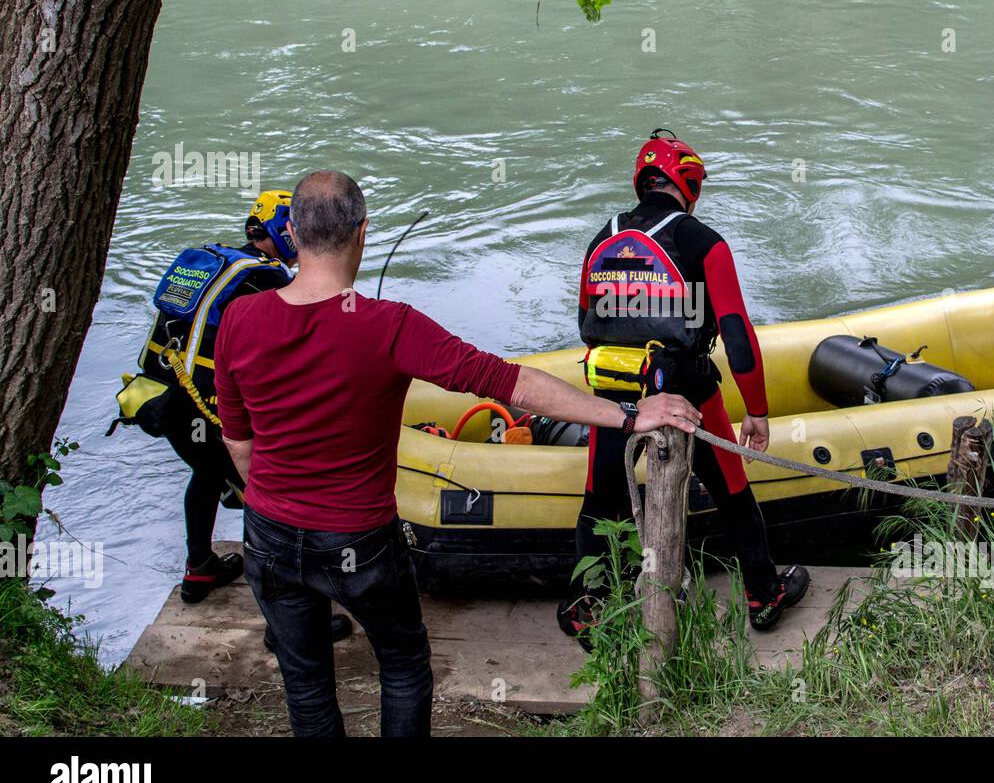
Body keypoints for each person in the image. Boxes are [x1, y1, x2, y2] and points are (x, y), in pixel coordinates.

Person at [215, 170, 701, 737]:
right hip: (359, 539)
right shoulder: (388, 326)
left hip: (269, 533)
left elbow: (238, 443)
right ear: (363, 233)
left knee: (306, 684)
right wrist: (629, 414)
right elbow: (505, 382)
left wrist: (270, 507)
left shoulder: (240, 319)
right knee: (400, 666)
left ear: (292, 234)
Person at [560, 129, 810, 648]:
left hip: (610, 388)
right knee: (732, 490)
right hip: (684, 388)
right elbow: (738, 337)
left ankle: (590, 609)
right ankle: (764, 595)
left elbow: (588, 321)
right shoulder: (704, 242)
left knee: (599, 498)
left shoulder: (601, 236)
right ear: (689, 181)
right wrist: (757, 411)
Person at [133, 192, 296, 604]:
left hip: (162, 400)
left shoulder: (217, 262)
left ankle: (199, 569)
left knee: (206, 473)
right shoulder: (269, 278)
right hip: (207, 408)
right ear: (282, 231)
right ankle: (280, 617)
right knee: (265, 496)